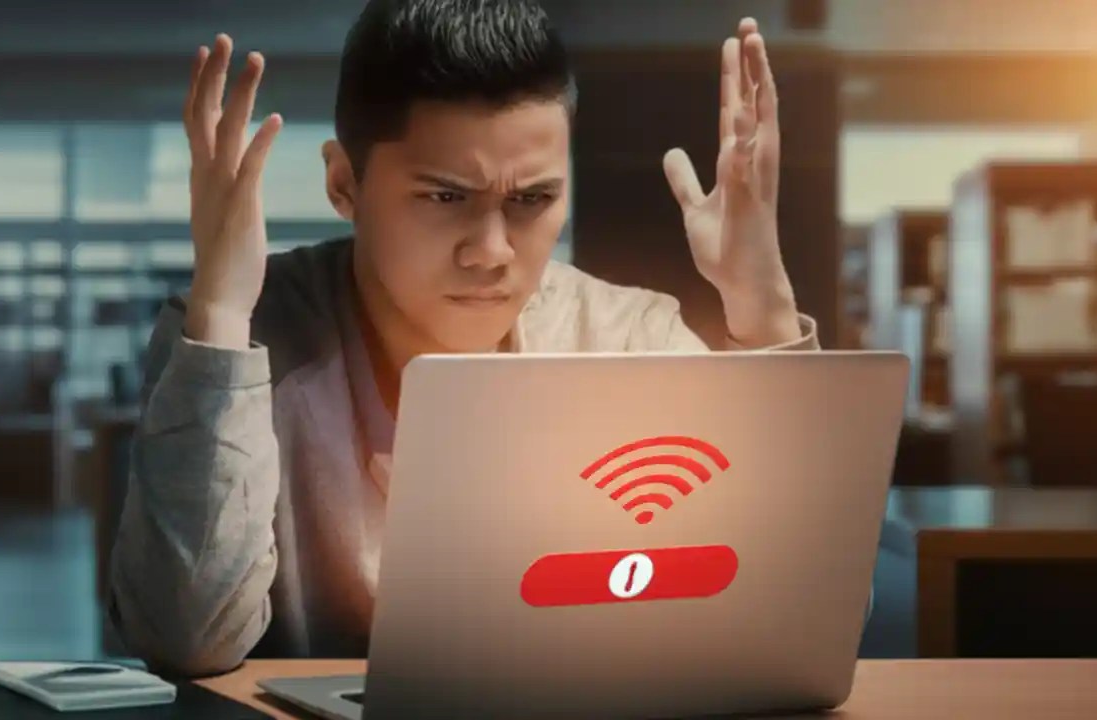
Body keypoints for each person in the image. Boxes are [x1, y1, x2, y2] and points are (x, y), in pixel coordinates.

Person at [109, 0, 819, 678]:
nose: (492, 251)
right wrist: (224, 311)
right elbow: (186, 638)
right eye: (446, 198)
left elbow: (802, 615)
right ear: (343, 183)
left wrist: (763, 302)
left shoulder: (626, 338)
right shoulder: (238, 333)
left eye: (532, 200)